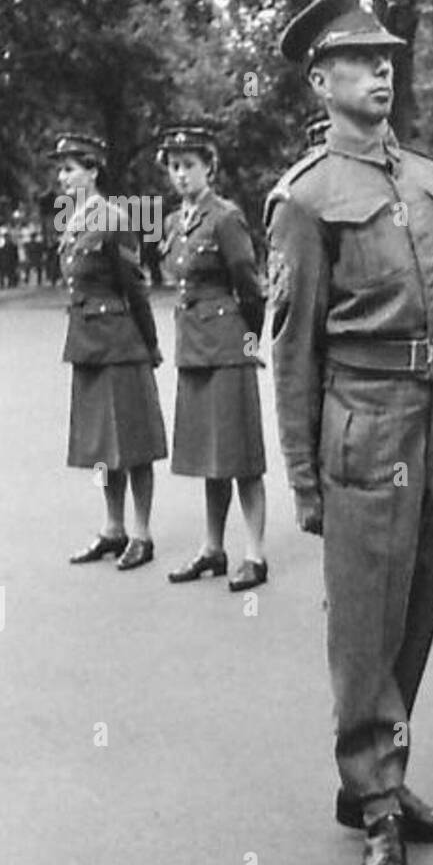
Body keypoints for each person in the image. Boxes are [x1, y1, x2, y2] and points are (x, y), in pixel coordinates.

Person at [265, 0, 433, 865]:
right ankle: (379, 810)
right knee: (363, 630)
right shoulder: (306, 200)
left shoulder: (432, 180)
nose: (381, 72)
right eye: (360, 60)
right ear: (321, 79)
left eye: (388, 59)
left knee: (415, 611)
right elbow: (294, 344)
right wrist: (304, 477)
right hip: (365, 420)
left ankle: (377, 777)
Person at [159, 124, 269, 592]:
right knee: (209, 455)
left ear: (209, 167)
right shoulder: (172, 222)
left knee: (241, 456)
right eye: (174, 166)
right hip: (193, 349)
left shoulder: (225, 217)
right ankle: (212, 548)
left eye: (190, 165)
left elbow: (249, 284)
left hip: (227, 347)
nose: (181, 175)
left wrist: (248, 340)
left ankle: (255, 555)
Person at [58, 133, 166, 570]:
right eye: (61, 169)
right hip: (86, 344)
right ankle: (112, 527)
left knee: (133, 443)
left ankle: (141, 533)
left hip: (121, 344)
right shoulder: (72, 219)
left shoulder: (115, 218)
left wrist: (151, 343)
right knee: (102, 446)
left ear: (92, 171)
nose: (61, 177)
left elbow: (134, 286)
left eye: (69, 168)